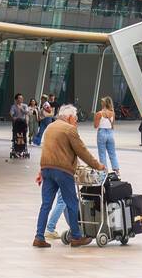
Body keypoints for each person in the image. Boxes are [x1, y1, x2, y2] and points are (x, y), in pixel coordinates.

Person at [32, 104, 104, 248]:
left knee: (46, 204)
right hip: (62, 171)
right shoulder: (69, 129)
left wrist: (41, 171)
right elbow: (82, 151)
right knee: (72, 202)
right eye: (75, 119)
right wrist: (98, 166)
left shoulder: (50, 127)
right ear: (70, 117)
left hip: (47, 169)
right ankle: (76, 237)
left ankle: (39, 237)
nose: (76, 122)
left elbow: (47, 150)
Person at [93, 95, 120, 174]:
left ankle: (105, 171)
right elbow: (113, 125)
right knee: (112, 153)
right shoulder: (113, 113)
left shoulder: (99, 113)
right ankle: (117, 170)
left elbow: (95, 126)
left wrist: (95, 118)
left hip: (102, 133)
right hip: (110, 133)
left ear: (104, 104)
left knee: (102, 153)